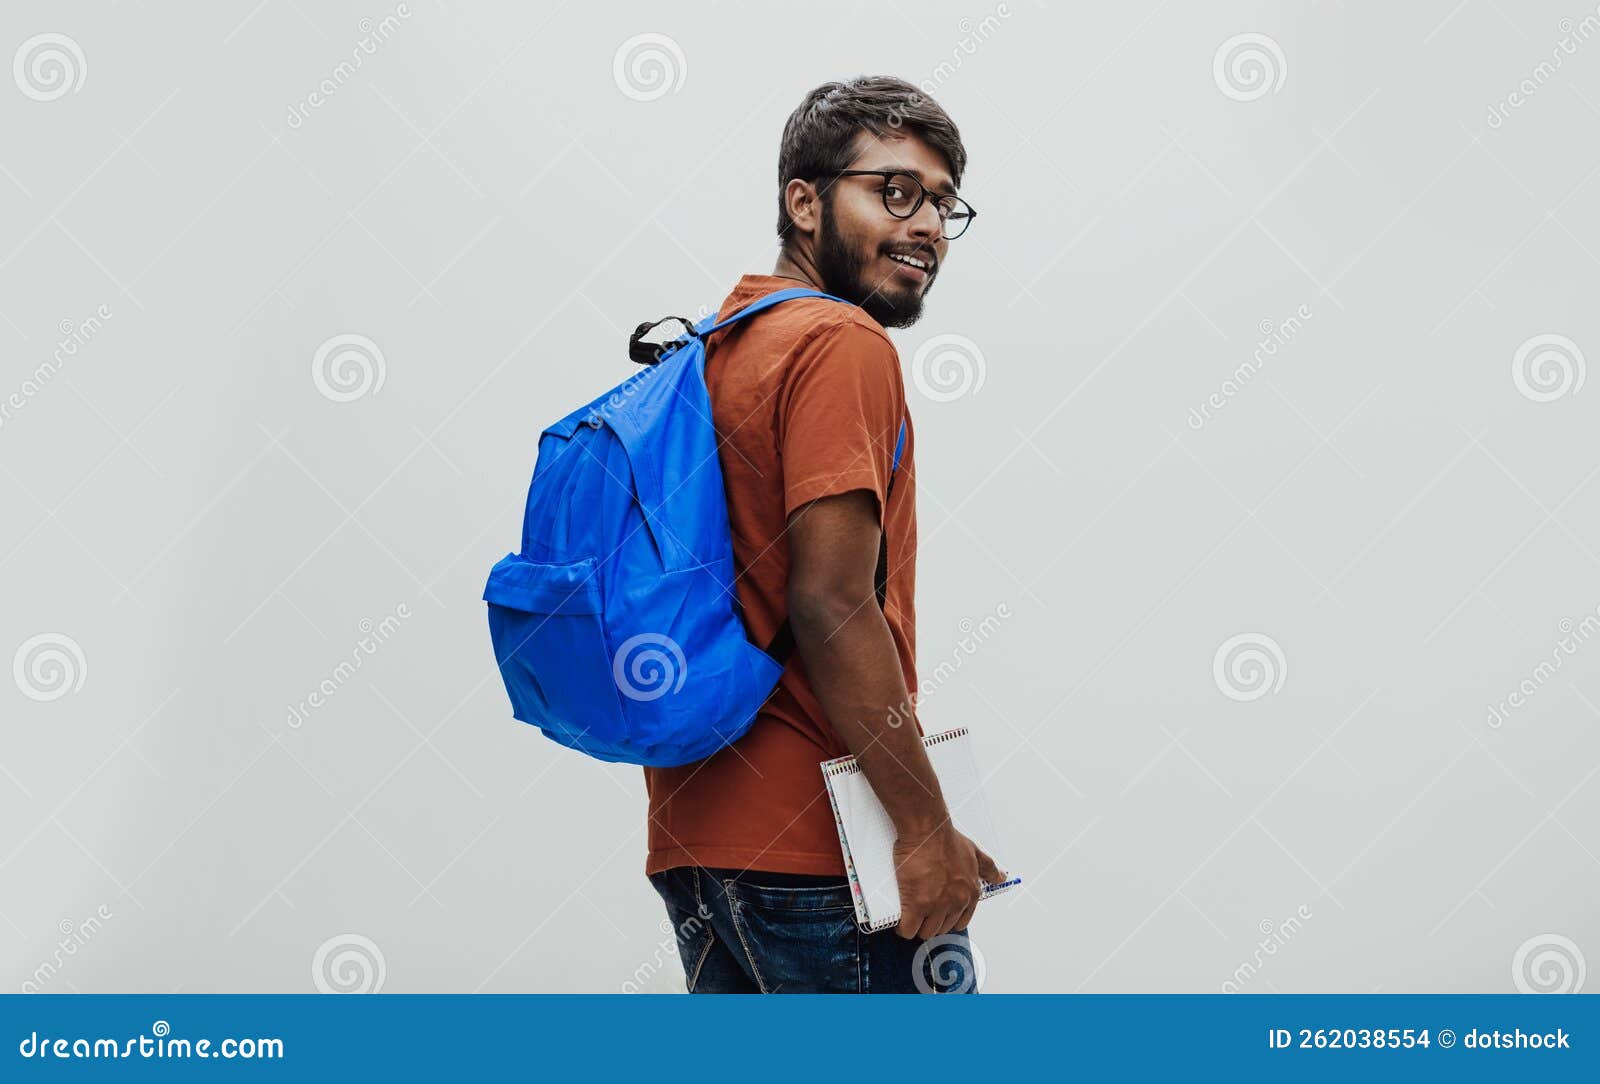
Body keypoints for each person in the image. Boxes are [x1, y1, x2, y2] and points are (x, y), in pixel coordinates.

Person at [643, 76, 1000, 994]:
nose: (925, 222)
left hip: (698, 842)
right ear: (804, 202)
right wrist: (923, 830)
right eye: (894, 190)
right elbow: (832, 603)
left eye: (943, 203)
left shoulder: (722, 342)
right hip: (823, 849)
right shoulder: (841, 344)